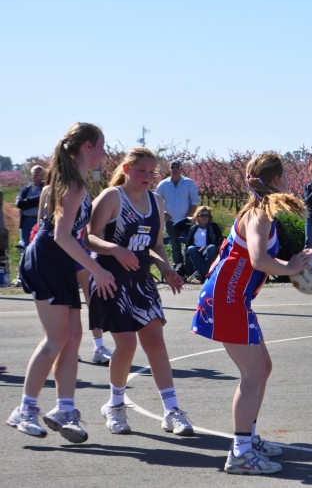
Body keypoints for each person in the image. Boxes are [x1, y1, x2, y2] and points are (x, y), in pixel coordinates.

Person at [191, 152, 312, 475]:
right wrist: (290, 267)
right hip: (227, 299)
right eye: (285, 174)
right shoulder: (259, 215)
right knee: (253, 374)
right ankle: (240, 453)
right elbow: (259, 260)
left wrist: (291, 266)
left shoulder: (259, 211)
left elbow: (254, 260)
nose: (289, 180)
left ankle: (250, 439)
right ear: (275, 179)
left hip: (234, 299)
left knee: (263, 368)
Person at [8, 122, 116, 442]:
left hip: (60, 261)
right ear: (87, 146)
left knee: (72, 337)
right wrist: (96, 270)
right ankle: (25, 409)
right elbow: (61, 235)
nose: (103, 153)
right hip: (48, 260)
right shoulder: (72, 186)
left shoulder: (70, 182)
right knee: (56, 338)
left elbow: (69, 238)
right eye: (100, 146)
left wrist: (88, 271)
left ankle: (64, 410)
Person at [87, 147, 192, 437]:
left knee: (156, 342)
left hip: (141, 278)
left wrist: (167, 270)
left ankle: (171, 410)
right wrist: (115, 249)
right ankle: (115, 405)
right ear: (126, 169)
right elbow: (90, 238)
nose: (147, 176)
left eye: (151, 172)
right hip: (110, 277)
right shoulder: (111, 197)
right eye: (141, 170)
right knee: (127, 345)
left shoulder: (156, 201)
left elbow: (155, 245)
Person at [37, 184, 112, 364]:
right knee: (59, 303)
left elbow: (88, 222)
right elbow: (40, 223)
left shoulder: (82, 188)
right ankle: (64, 348)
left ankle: (99, 346)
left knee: (92, 297)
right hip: (57, 251)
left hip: (78, 246)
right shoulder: (49, 190)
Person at [155, 159, 199, 270]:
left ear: (180, 169)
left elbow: (194, 201)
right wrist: (163, 214)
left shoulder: (188, 183)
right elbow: (156, 201)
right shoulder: (163, 184)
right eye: (172, 167)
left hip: (186, 221)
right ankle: (179, 267)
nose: (175, 169)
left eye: (177, 167)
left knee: (188, 244)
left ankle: (189, 267)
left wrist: (189, 217)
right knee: (174, 244)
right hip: (171, 221)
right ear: (169, 169)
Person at [185, 206, 224, 283]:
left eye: (206, 215)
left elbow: (219, 240)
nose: (204, 217)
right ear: (197, 216)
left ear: (209, 217)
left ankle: (203, 274)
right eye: (201, 215)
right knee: (191, 248)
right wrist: (188, 218)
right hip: (195, 250)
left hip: (208, 249)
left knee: (212, 247)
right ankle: (206, 274)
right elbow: (176, 226)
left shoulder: (213, 226)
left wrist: (206, 247)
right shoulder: (193, 227)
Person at [15, 165, 45, 249]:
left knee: (38, 245)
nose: (37, 175)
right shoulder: (26, 189)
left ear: (43, 175)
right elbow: (19, 203)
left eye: (39, 172)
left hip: (39, 221)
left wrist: (27, 201)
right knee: (25, 245)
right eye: (35, 172)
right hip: (26, 221)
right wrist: (36, 201)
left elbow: (43, 198)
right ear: (31, 174)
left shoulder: (44, 188)